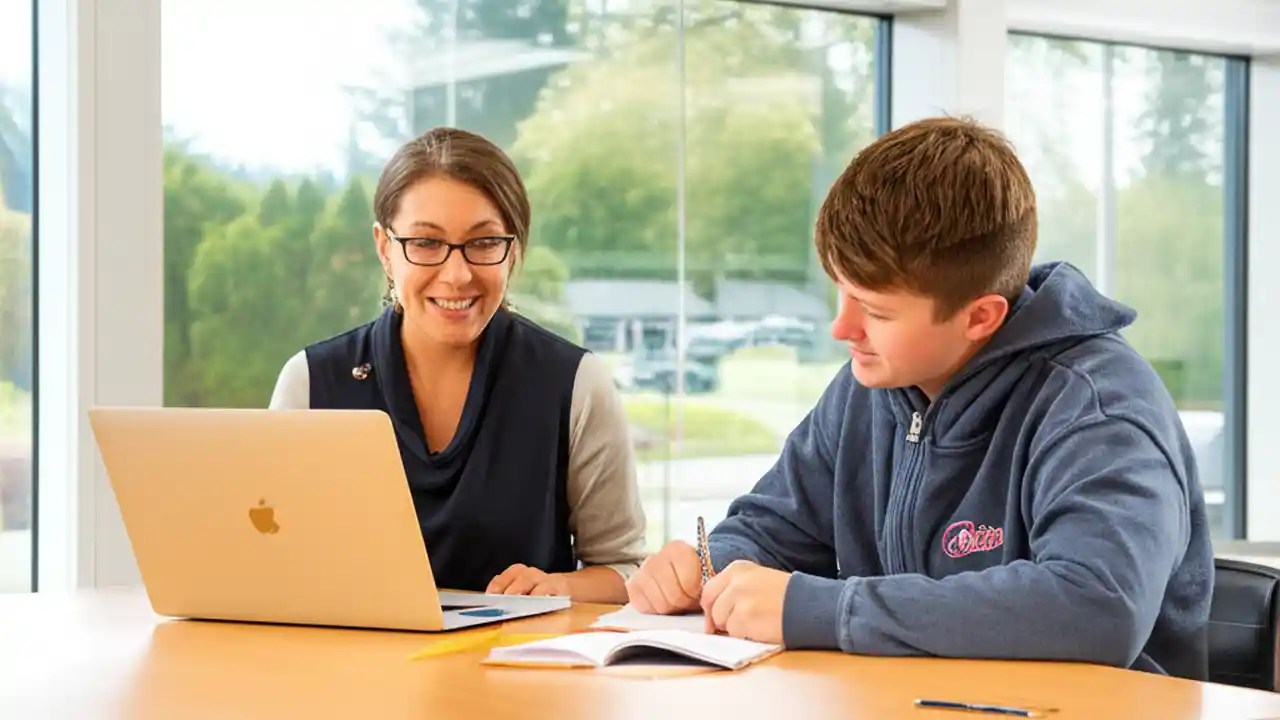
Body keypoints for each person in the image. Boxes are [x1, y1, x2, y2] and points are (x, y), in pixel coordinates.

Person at [625, 116, 1212, 680]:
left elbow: (1099, 606)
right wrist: (712, 568)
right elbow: (775, 528)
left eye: (876, 310)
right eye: (842, 293)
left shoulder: (1096, 405)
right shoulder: (869, 384)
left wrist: (824, 611)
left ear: (980, 317)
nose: (842, 328)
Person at [269, 127, 645, 603]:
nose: (457, 274)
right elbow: (274, 562)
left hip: (518, 670)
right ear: (385, 249)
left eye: (484, 243)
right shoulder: (309, 383)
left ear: (513, 249)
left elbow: (623, 567)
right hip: (352, 669)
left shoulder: (572, 384)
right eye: (426, 244)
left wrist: (557, 586)